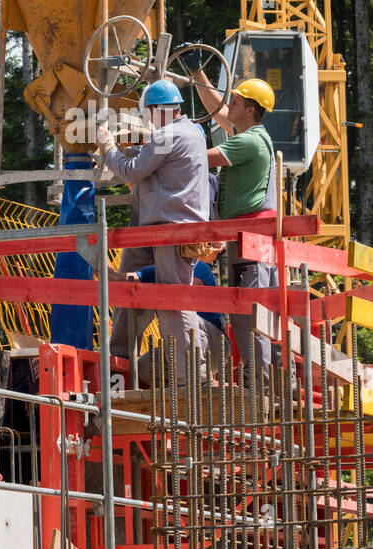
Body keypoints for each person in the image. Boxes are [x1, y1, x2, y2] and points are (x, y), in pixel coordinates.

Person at [96, 79, 210, 386]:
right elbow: (155, 159)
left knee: (173, 302)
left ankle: (192, 380)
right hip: (156, 229)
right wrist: (132, 146)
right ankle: (117, 370)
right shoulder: (189, 133)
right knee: (128, 296)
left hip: (171, 231)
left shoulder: (169, 134)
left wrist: (108, 147)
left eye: (148, 113)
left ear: (158, 111)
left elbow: (132, 170)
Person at [191, 70, 279, 389]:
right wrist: (196, 73)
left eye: (236, 100)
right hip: (247, 242)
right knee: (252, 317)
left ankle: (260, 387)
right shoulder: (250, 135)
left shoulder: (250, 142)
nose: (230, 103)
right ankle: (264, 382)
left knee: (249, 318)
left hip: (252, 242)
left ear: (251, 110)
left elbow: (201, 157)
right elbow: (218, 110)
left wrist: (165, 148)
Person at [128, 241, 229, 378]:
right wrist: (99, 264)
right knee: (143, 368)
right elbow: (121, 280)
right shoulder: (152, 272)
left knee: (176, 311)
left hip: (214, 346)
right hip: (180, 347)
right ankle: (180, 386)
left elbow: (186, 296)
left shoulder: (198, 267)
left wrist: (149, 290)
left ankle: (201, 378)